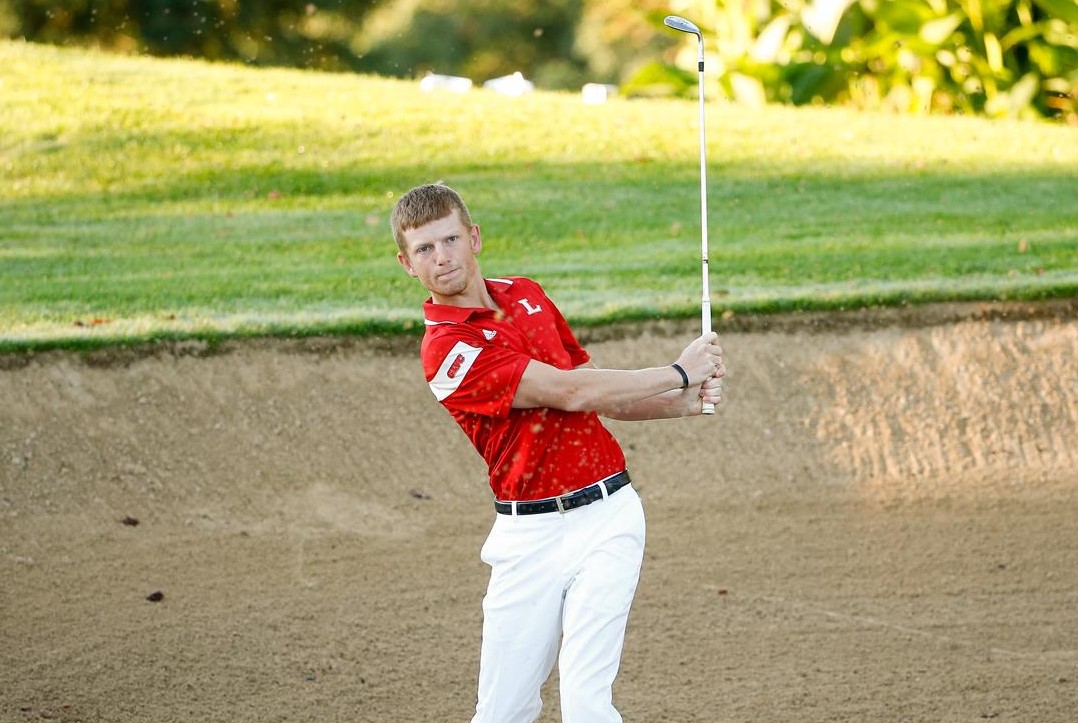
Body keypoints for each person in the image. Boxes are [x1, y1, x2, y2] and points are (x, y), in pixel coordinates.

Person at [391, 182, 724, 723]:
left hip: (610, 515)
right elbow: (569, 392)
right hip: (529, 538)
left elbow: (590, 387)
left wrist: (678, 402)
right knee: (503, 712)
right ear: (407, 264)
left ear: (474, 237)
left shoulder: (527, 294)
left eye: (450, 239)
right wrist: (680, 371)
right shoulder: (447, 349)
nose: (441, 257)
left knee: (589, 703)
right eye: (424, 249)